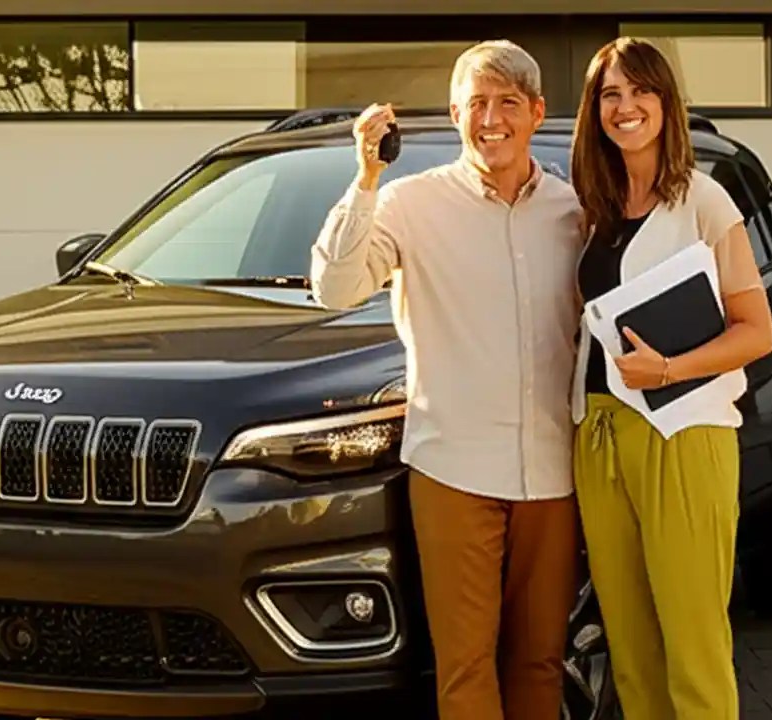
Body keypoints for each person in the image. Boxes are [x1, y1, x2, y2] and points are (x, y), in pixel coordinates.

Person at [309, 40, 586, 720]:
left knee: (541, 662)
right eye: (477, 105)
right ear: (455, 114)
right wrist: (365, 177)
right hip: (454, 469)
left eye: (508, 104)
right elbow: (334, 287)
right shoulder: (407, 204)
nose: (492, 119)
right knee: (463, 668)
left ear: (536, 113)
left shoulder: (574, 212)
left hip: (554, 471)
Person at [568, 37, 772, 720]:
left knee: (692, 638)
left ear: (666, 101)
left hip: (685, 436)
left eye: (640, 91)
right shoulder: (592, 210)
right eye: (610, 95)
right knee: (629, 643)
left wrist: (670, 369)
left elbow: (757, 330)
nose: (625, 107)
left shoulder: (704, 201)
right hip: (598, 438)